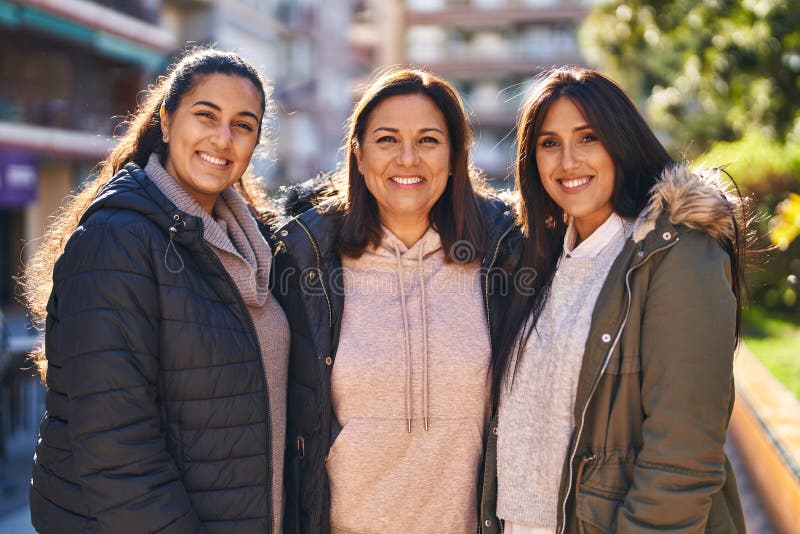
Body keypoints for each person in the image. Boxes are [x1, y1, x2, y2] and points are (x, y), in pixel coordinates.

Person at [24, 48, 289, 533]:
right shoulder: (117, 241)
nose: (222, 138)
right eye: (205, 115)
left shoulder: (254, 247)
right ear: (166, 122)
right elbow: (116, 446)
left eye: (243, 125)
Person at [479, 67, 748, 533]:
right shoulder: (534, 259)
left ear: (620, 142)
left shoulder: (675, 254)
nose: (568, 161)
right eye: (549, 143)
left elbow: (682, 458)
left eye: (588, 138)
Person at [272, 67, 516, 533]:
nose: (408, 158)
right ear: (359, 157)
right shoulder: (304, 260)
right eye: (387, 140)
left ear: (454, 157)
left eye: (428, 140)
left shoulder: (504, 254)